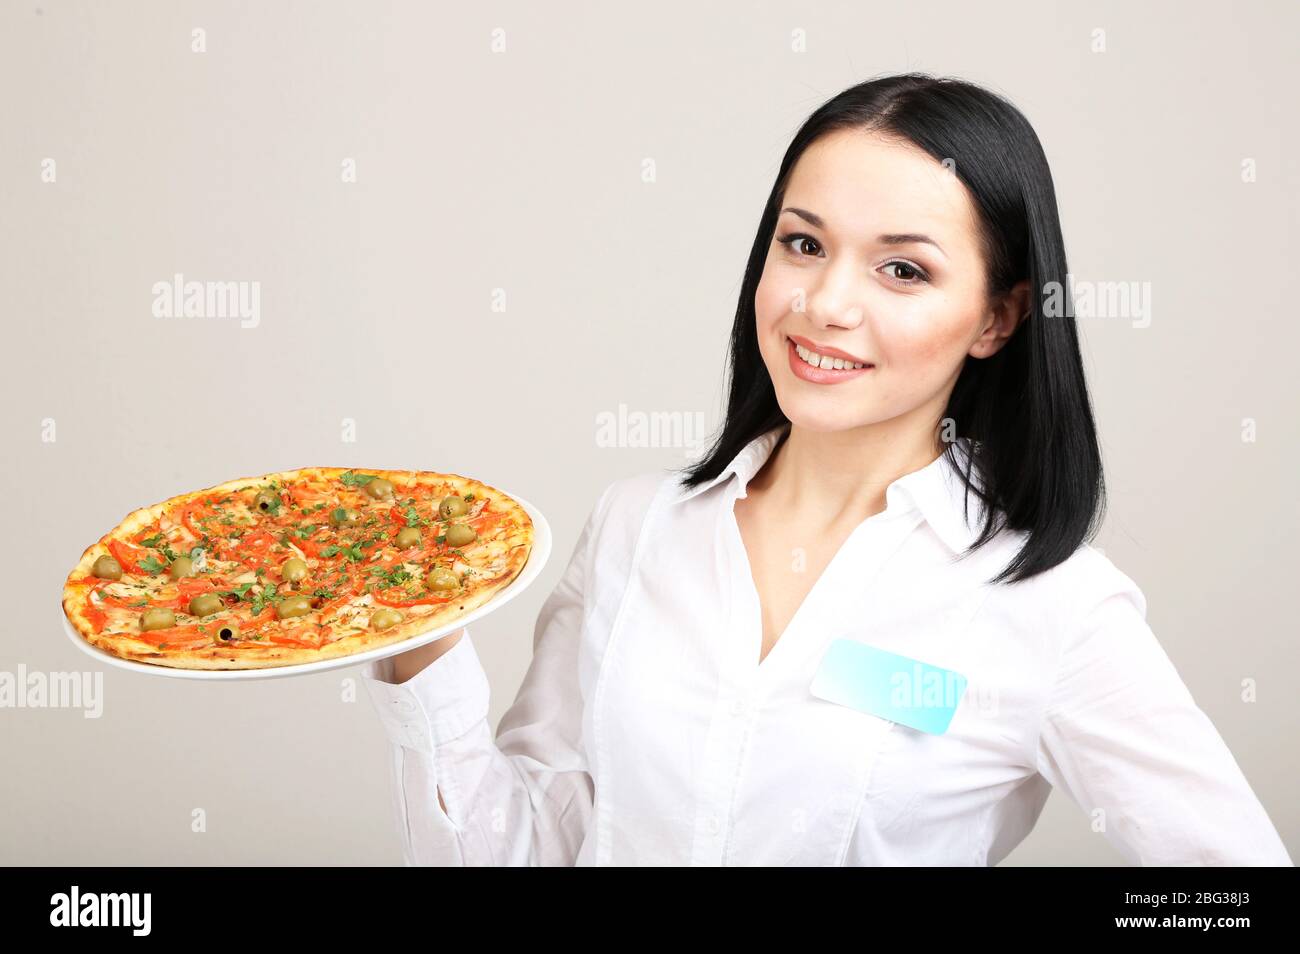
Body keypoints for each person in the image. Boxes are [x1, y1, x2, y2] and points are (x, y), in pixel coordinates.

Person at [361, 73, 1292, 866]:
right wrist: (417, 633)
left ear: (998, 319)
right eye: (803, 244)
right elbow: (531, 846)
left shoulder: (1051, 606)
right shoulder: (635, 525)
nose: (826, 305)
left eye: (904, 271)